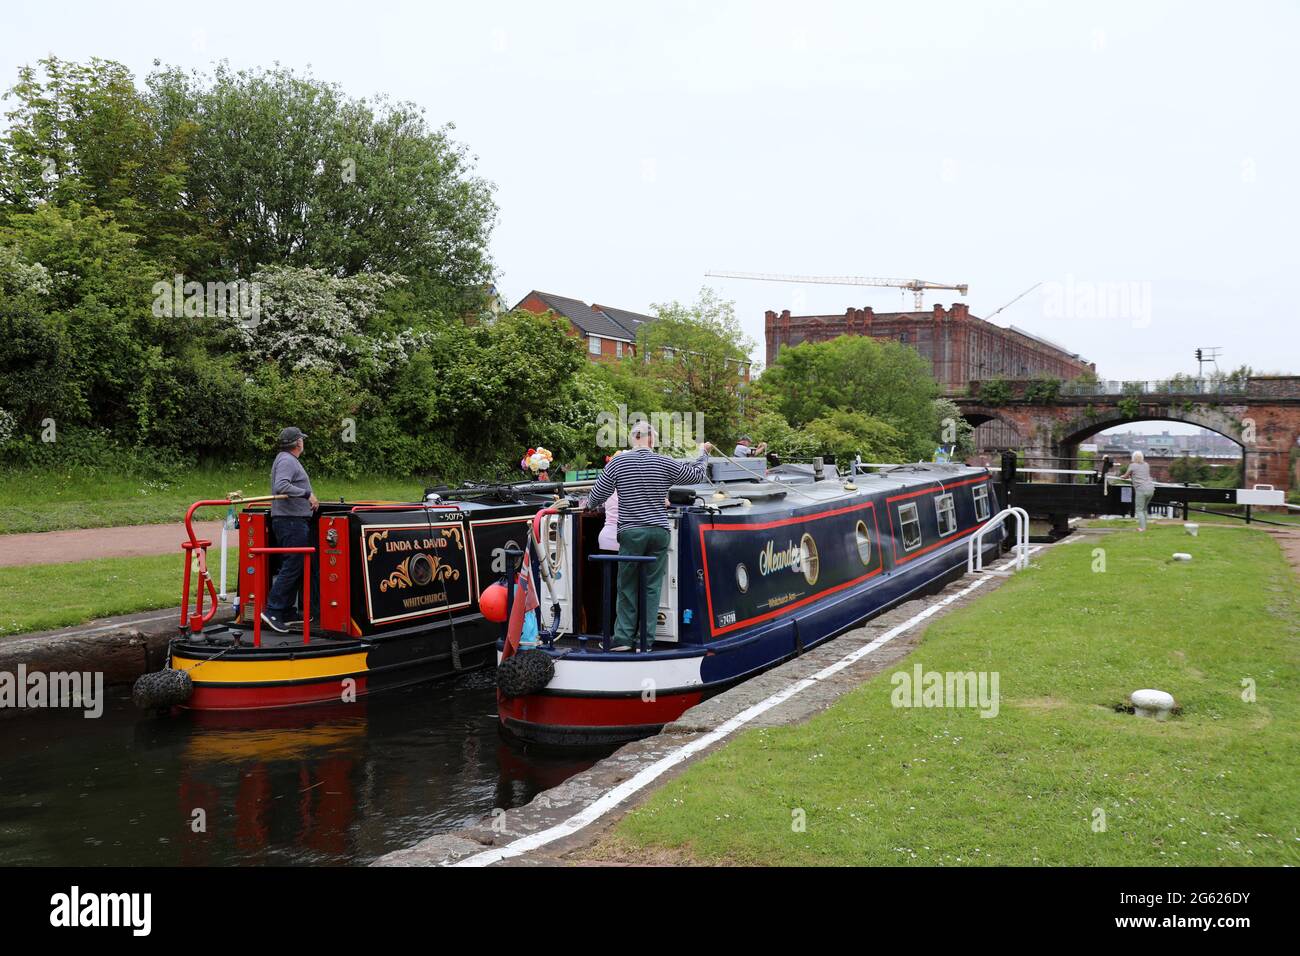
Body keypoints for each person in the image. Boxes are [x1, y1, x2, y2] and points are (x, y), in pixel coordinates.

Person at [586, 423, 712, 649]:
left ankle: (623, 639)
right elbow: (697, 475)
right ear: (651, 441)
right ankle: (645, 641)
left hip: (632, 532)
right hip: (659, 532)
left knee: (627, 586)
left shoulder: (618, 462)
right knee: (652, 588)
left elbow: (597, 496)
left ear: (634, 437)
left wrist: (588, 505)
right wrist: (703, 453)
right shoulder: (664, 462)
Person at [263, 426, 319, 632]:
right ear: (298, 443)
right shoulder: (287, 460)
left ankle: (286, 611)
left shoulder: (286, 459)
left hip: (294, 520)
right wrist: (307, 495)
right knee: (293, 564)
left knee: (297, 564)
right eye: (302, 440)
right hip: (291, 521)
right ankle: (273, 609)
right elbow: (281, 485)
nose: (303, 443)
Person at [1117, 450, 1157, 531]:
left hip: (1141, 489)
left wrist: (1121, 476)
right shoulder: (1146, 465)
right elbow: (1141, 475)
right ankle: (1145, 527)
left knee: (1139, 509)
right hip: (1150, 489)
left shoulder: (1132, 465)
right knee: (1144, 509)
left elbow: (1125, 476)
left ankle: (1142, 528)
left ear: (1133, 458)